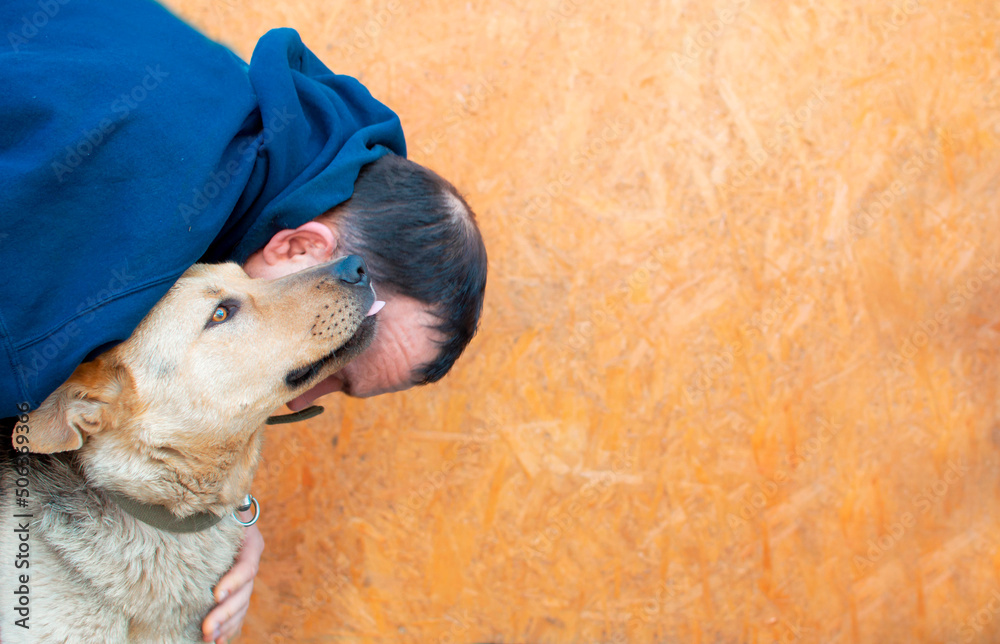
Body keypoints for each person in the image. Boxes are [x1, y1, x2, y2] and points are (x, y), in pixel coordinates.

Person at [0, 0, 487, 641]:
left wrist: (209, 522)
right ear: (300, 248)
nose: (296, 402)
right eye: (329, 362)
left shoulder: (254, 157)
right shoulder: (128, 187)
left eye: (333, 385)